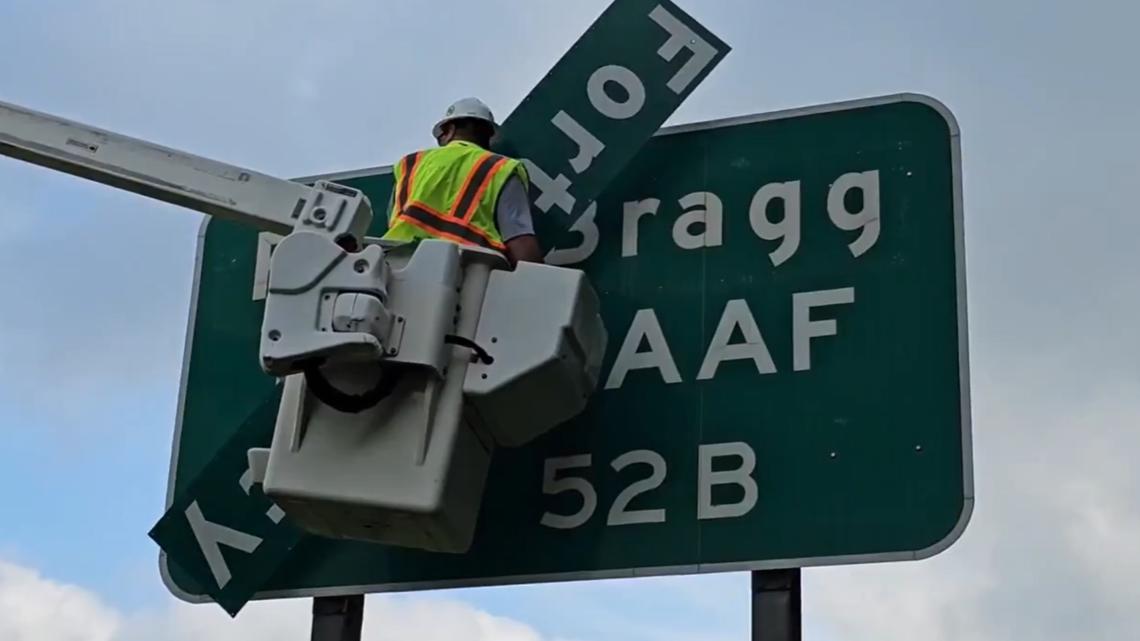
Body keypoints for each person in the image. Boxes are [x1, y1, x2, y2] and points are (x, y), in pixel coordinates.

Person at [381, 97, 544, 266]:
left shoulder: (410, 163)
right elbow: (518, 238)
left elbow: (393, 219)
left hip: (395, 267)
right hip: (465, 273)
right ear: (489, 136)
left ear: (450, 130)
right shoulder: (500, 168)